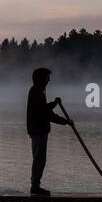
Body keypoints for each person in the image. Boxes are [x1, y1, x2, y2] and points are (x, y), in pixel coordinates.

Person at [26, 67, 71, 195]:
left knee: (40, 159)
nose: (49, 80)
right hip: (38, 131)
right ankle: (35, 187)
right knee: (39, 159)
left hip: (39, 131)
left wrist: (54, 105)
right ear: (41, 79)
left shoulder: (39, 91)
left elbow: (45, 111)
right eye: (47, 77)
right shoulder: (36, 92)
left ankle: (36, 186)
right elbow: (45, 113)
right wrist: (65, 121)